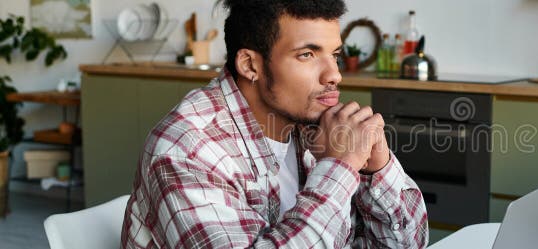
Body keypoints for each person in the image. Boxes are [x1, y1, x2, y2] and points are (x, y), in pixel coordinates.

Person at [120, 0, 428, 248]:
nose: (334, 75)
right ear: (250, 65)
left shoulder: (313, 125)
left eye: (334, 54)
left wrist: (377, 169)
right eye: (307, 55)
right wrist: (340, 167)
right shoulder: (186, 150)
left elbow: (411, 243)